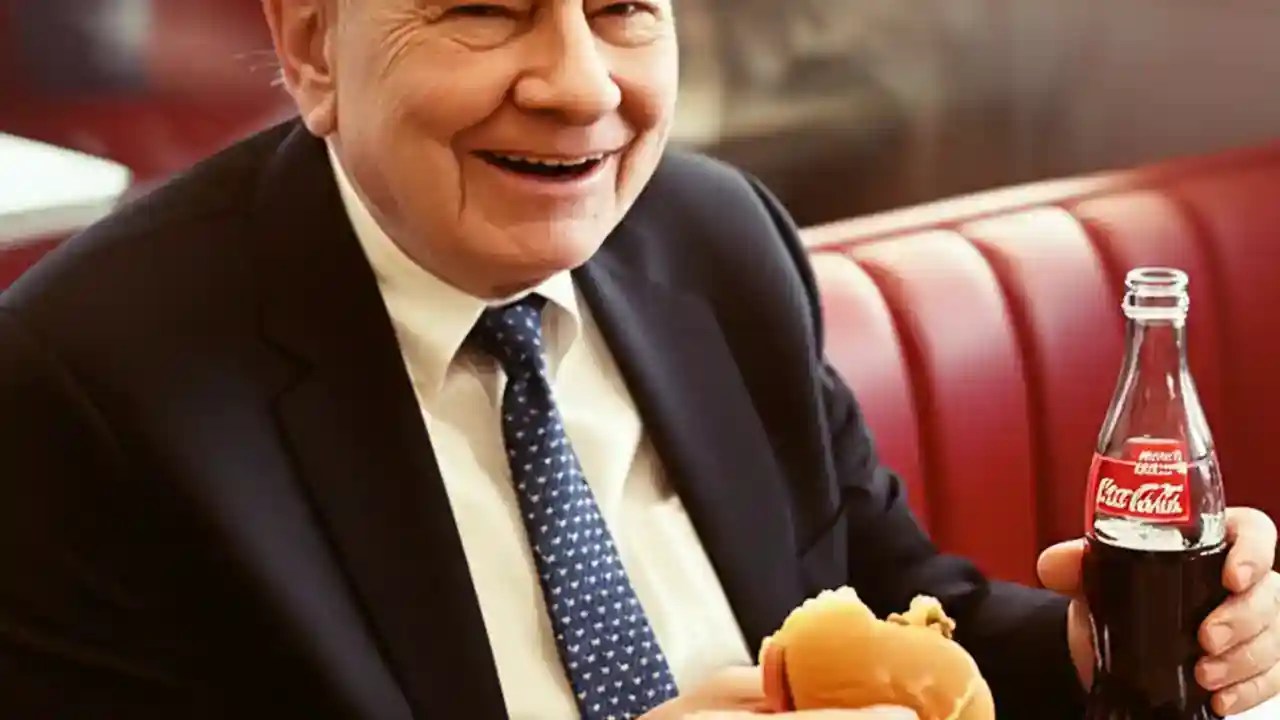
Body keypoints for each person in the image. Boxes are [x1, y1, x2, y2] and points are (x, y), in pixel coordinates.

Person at [1, 1, 1277, 718]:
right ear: (310, 48)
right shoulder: (92, 380)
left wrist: (1117, 644)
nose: (577, 86)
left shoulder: (717, 239)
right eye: (483, 12)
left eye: (620, 10)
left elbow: (893, 605)